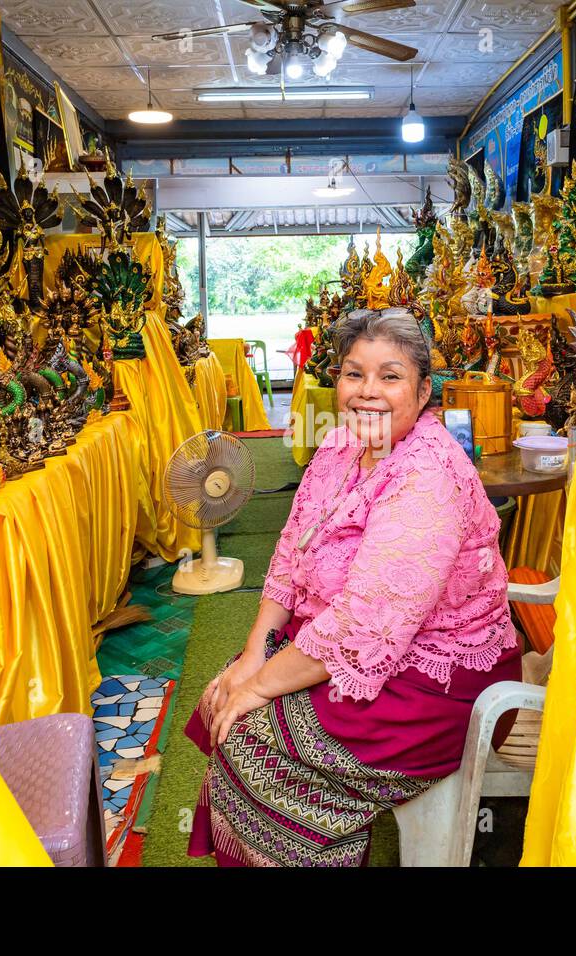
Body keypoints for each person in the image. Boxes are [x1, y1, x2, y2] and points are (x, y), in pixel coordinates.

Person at [185, 307, 521, 867]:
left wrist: (262, 686)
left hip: (436, 681)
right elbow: (292, 551)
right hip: (354, 645)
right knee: (223, 692)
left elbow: (365, 624)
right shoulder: (342, 443)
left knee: (255, 743)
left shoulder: (427, 475)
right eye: (352, 373)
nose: (368, 392)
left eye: (390, 376)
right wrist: (250, 659)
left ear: (422, 393)